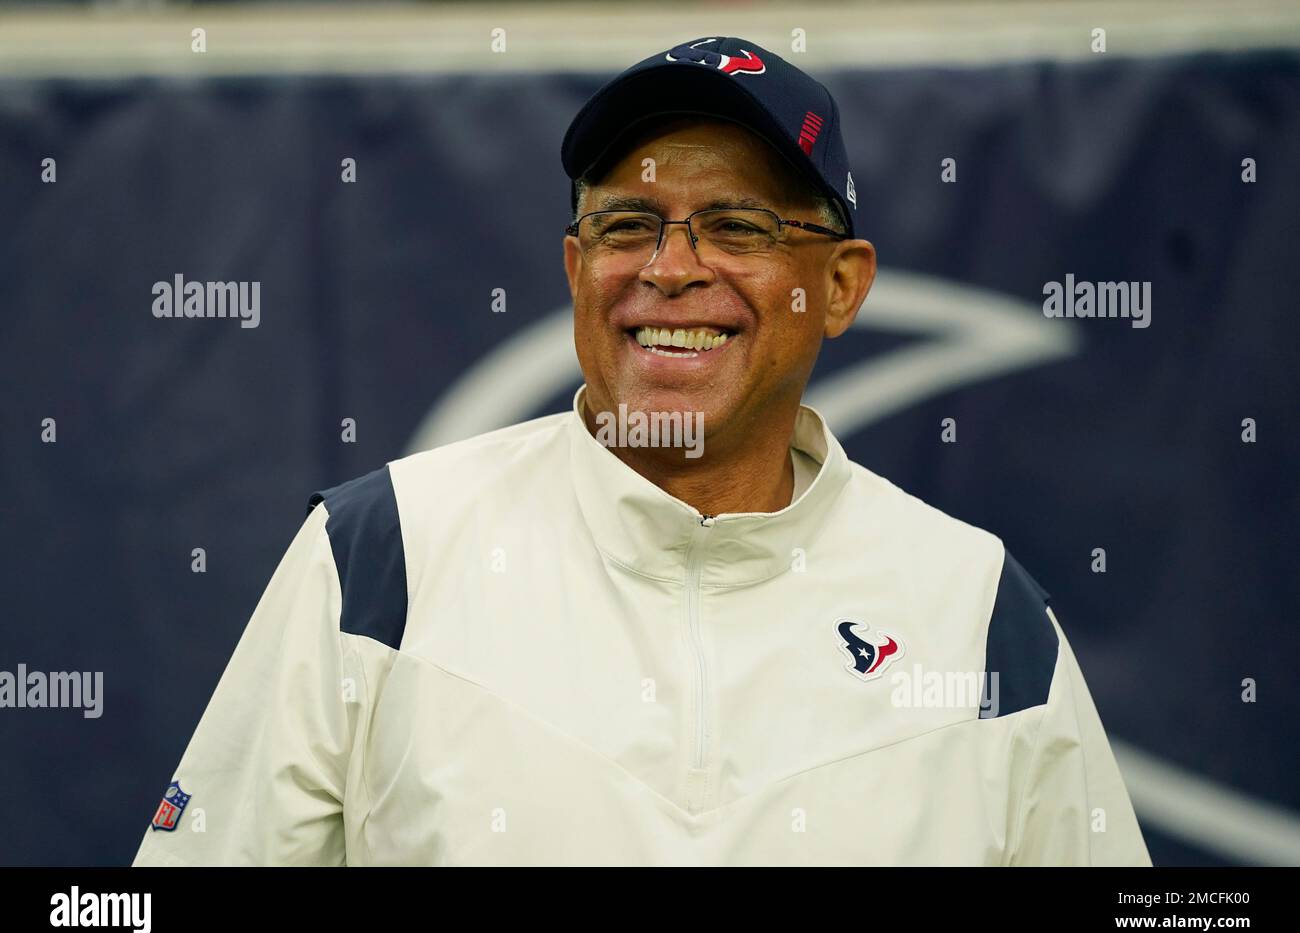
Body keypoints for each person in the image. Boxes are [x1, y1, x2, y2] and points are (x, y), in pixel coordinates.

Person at [132, 36, 1151, 866]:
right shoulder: (378, 555)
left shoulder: (973, 610)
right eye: (629, 223)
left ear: (839, 285)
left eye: (736, 225)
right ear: (577, 269)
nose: (669, 269)